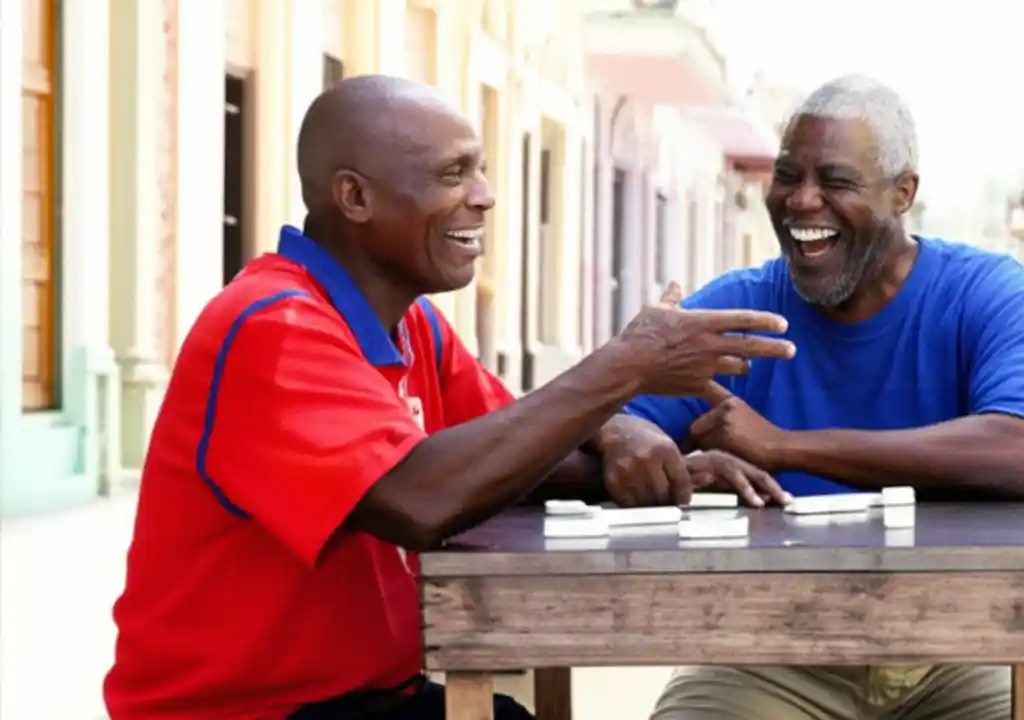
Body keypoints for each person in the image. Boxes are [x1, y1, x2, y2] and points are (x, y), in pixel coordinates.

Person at [102, 75, 796, 720]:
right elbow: (421, 501)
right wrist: (624, 367)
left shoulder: (410, 325)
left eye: (480, 168)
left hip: (365, 697)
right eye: (452, 174)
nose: (486, 195)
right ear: (354, 198)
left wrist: (640, 457)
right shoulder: (272, 327)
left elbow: (511, 451)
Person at [592, 74, 1024, 719]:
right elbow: (592, 415)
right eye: (788, 176)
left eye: (837, 182)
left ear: (903, 193)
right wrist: (619, 429)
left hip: (965, 643)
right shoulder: (739, 309)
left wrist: (782, 447)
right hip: (767, 651)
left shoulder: (991, 295)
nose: (802, 201)